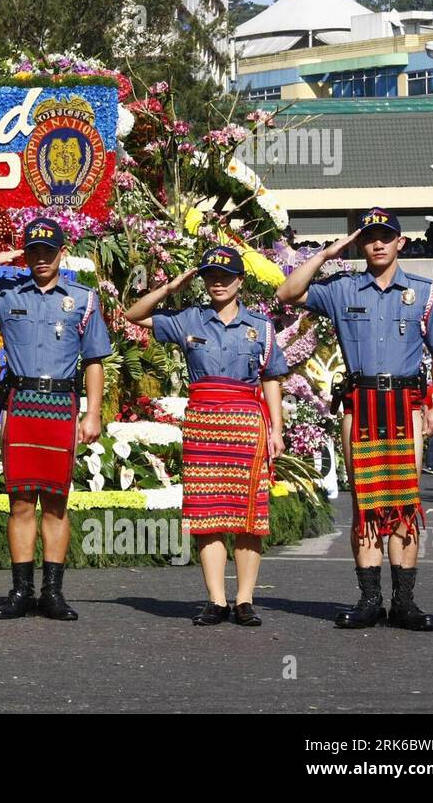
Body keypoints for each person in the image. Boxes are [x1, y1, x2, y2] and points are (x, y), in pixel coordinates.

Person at [277, 207, 433, 631]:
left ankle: (404, 602)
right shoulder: (342, 289)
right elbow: (287, 293)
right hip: (359, 406)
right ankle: (369, 599)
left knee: (405, 501)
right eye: (368, 237)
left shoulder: (424, 291)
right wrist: (327, 254)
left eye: (385, 236)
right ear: (359, 244)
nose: (377, 243)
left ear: (400, 242)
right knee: (365, 503)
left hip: (405, 406)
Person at [0, 217, 111, 620]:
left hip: (60, 405)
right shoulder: (7, 292)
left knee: (55, 503)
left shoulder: (84, 299)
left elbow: (94, 360)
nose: (40, 258)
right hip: (20, 404)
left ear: (61, 253)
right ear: (25, 254)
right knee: (19, 502)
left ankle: (52, 593)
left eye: (47, 251)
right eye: (33, 251)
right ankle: (20, 592)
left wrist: (93, 413)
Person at [125, 246, 288, 626]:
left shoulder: (261, 327)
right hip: (203, 424)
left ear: (240, 281)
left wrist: (277, 428)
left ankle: (245, 600)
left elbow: (271, 378)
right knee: (207, 513)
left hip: (247, 423)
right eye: (210, 276)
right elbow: (133, 314)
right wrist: (170, 287)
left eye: (225, 276)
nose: (218, 282)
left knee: (249, 517)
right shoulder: (189, 320)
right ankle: (216, 600)